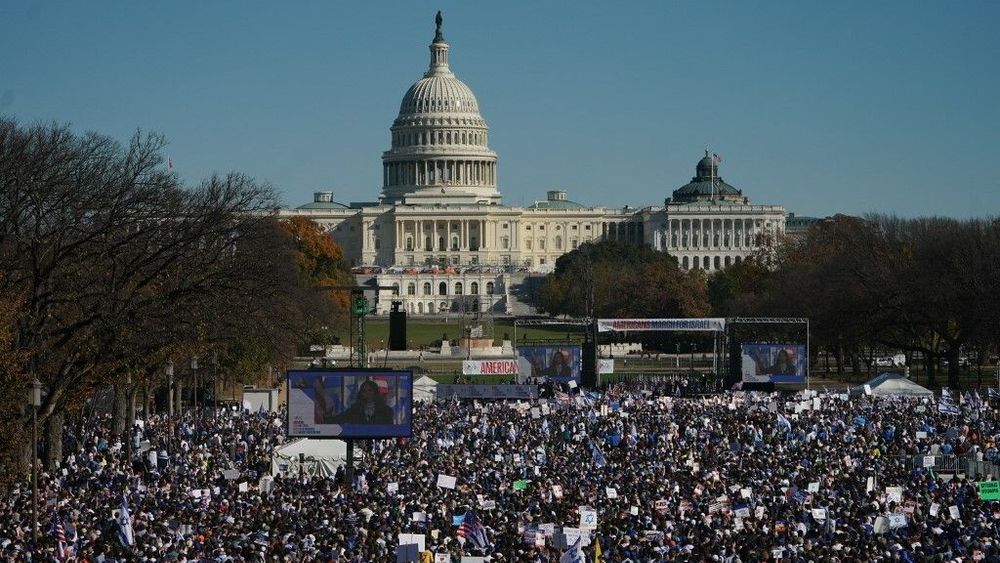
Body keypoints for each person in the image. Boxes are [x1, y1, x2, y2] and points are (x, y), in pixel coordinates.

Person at [323, 379, 394, 425]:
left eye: (370, 390)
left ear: (375, 392)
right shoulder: (355, 409)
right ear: (361, 393)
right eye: (364, 391)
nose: (367, 393)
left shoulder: (386, 410)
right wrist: (327, 417)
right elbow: (340, 419)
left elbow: (390, 428)